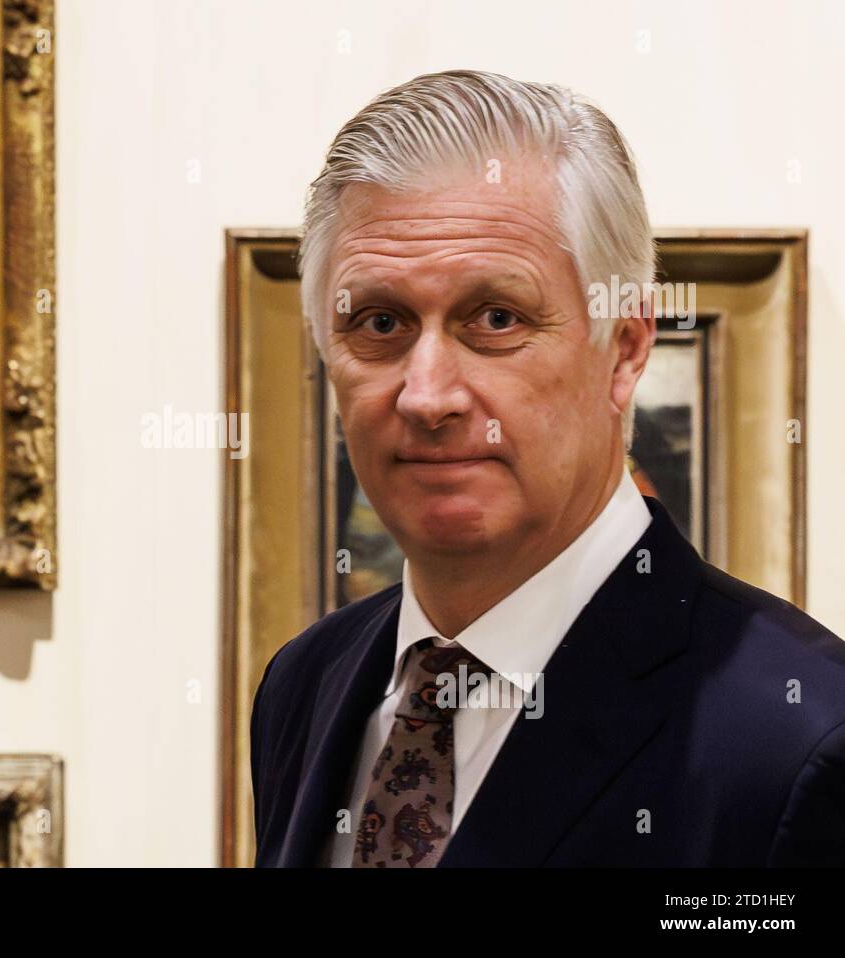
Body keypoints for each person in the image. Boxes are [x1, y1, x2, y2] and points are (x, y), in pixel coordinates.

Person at [251, 70, 845, 867]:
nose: (428, 396)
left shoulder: (802, 738)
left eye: (496, 318)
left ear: (626, 349)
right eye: (380, 322)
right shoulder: (305, 683)